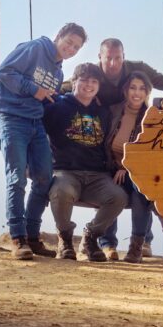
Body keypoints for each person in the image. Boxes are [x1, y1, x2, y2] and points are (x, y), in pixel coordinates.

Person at [62, 37, 163, 256]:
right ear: (100, 57)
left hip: (135, 164)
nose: (113, 63)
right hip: (109, 147)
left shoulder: (141, 83)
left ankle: (141, 241)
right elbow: (71, 84)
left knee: (143, 183)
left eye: (117, 58)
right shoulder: (102, 93)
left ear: (124, 57)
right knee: (111, 182)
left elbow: (162, 80)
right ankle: (107, 243)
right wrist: (45, 90)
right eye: (108, 58)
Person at [0, 23, 87, 260]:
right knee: (16, 177)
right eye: (69, 42)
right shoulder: (34, 48)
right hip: (10, 117)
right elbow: (4, 71)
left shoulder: (59, 72)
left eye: (76, 47)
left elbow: (48, 99)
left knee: (45, 177)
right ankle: (18, 238)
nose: (71, 48)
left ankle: (32, 237)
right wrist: (34, 89)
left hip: (35, 122)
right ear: (58, 36)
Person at [44, 62, 128, 262]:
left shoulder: (103, 112)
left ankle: (90, 237)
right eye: (84, 80)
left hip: (96, 175)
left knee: (118, 197)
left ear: (99, 85)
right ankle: (64, 238)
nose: (89, 85)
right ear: (74, 82)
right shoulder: (56, 105)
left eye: (94, 81)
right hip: (65, 171)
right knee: (61, 191)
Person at [105, 71, 156, 263]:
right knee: (112, 188)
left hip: (138, 172)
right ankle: (108, 244)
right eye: (133, 87)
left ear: (147, 92)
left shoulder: (152, 117)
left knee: (140, 190)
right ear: (126, 90)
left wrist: (127, 167)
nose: (137, 93)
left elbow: (149, 151)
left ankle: (137, 246)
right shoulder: (112, 112)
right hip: (111, 169)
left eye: (142, 88)